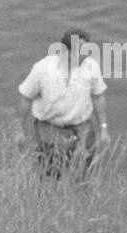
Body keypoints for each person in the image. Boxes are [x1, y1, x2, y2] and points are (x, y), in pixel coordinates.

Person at [18, 28, 110, 179]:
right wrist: (18, 128)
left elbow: (98, 96)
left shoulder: (91, 67)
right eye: (81, 50)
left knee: (86, 171)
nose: (86, 54)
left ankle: (82, 196)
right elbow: (25, 98)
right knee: (51, 172)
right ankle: (49, 197)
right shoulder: (42, 69)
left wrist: (103, 128)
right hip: (50, 127)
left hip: (83, 127)